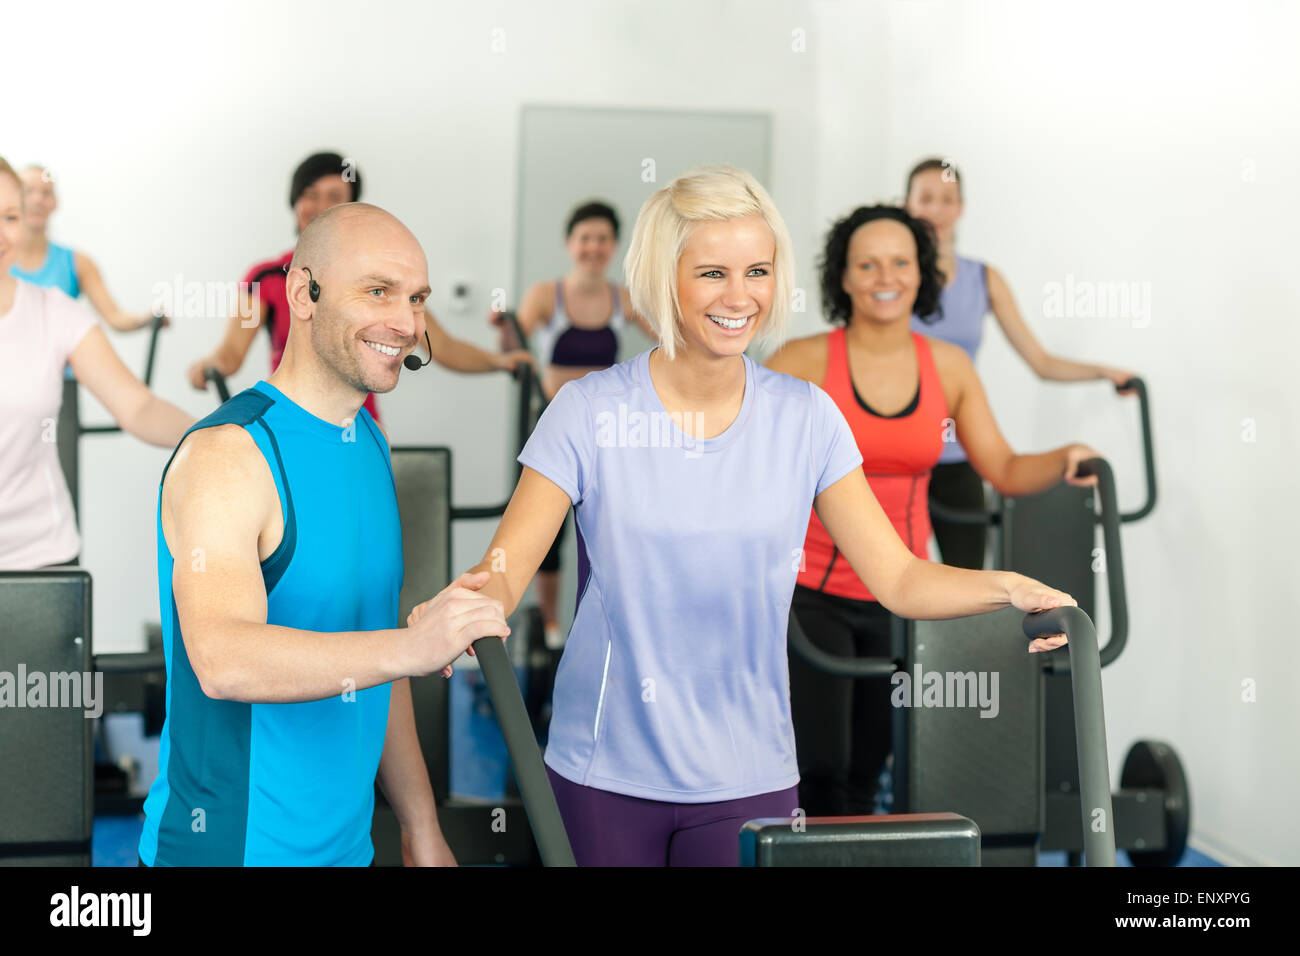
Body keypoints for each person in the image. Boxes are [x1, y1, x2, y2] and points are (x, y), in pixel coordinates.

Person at [410, 165, 1076, 867]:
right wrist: (460, 610)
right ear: (664, 279)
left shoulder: (807, 417)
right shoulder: (590, 411)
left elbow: (900, 579)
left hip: (749, 768)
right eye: (711, 274)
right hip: (602, 763)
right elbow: (507, 572)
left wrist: (1009, 587)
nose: (739, 297)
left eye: (757, 270)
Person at [137, 203, 510, 867]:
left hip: (346, 851)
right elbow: (223, 660)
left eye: (416, 298)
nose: (406, 322)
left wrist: (421, 827)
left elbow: (378, 652)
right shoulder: (230, 454)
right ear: (303, 294)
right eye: (378, 291)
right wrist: (410, 644)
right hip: (229, 852)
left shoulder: (364, 440)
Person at [765, 204, 1102, 815]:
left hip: (904, 590)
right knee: (820, 768)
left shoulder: (949, 367)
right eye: (866, 264)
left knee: (871, 765)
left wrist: (1063, 457)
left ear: (923, 273)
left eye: (899, 262)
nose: (883, 276)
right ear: (842, 277)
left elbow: (1001, 467)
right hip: (811, 589)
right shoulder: (801, 362)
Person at [904, 158, 1137, 569]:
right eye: (925, 199)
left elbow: (1041, 362)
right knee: (888, 584)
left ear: (961, 207)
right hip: (895, 453)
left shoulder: (984, 279)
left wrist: (1104, 372)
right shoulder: (892, 279)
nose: (936, 210)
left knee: (969, 582)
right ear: (907, 204)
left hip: (959, 454)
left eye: (946, 199)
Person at [186, 152, 531, 421]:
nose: (321, 206)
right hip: (291, 419)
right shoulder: (264, 278)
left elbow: (443, 347)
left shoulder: (380, 277)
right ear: (294, 203)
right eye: (310, 194)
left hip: (362, 424)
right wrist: (209, 364)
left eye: (334, 196)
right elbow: (231, 351)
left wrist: (501, 361)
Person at [0, 157, 193, 571]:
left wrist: (223, 434)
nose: (2, 233)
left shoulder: (58, 310)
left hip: (39, 555)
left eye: (9, 217)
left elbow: (138, 407)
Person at [490, 200, 655, 648]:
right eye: (585, 238)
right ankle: (550, 627)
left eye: (602, 239)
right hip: (553, 424)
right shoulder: (548, 293)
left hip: (608, 429)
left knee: (608, 523)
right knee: (549, 528)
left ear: (613, 245)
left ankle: (605, 617)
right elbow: (514, 343)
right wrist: (503, 325)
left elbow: (668, 338)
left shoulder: (622, 297)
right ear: (570, 244)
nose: (594, 247)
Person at [11, 164, 159, 331]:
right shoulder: (4, 259)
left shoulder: (77, 263)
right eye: (28, 191)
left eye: (46, 193)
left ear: (55, 202)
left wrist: (148, 319)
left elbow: (116, 318)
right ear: (12, 199)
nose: (37, 199)